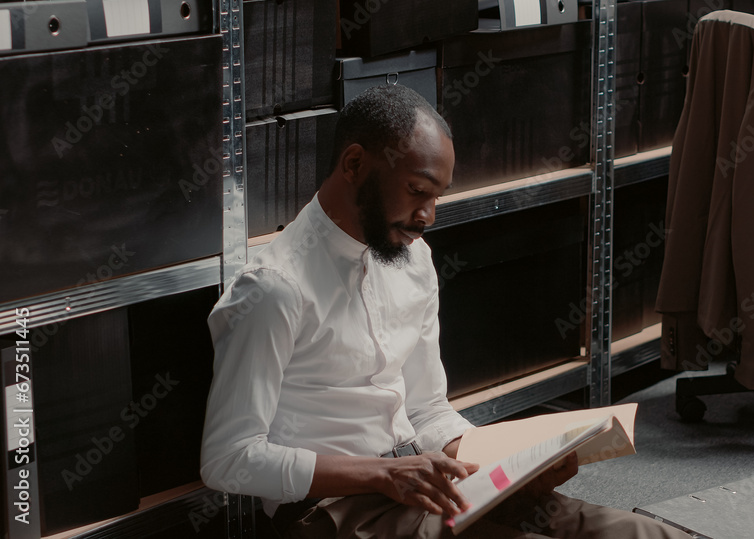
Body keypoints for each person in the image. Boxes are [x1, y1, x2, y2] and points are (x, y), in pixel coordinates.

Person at [200, 85, 692, 538]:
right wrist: (384, 474)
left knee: (642, 535)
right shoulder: (272, 290)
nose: (428, 216)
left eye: (437, 197)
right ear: (354, 165)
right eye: (417, 191)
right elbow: (228, 459)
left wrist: (514, 464)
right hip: (337, 510)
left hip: (425, 476)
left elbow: (427, 409)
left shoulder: (412, 259)